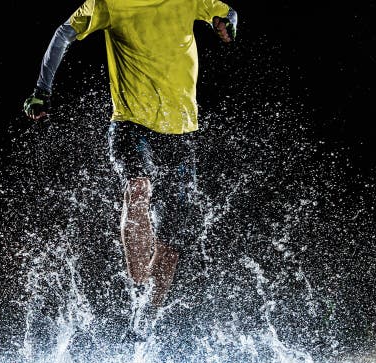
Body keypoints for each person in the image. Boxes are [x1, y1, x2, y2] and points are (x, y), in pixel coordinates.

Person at [25, 0, 238, 340]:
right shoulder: (108, 3)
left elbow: (226, 11)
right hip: (130, 124)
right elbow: (63, 34)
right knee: (138, 188)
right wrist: (42, 90)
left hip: (181, 131)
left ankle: (143, 322)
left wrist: (225, 23)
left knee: (172, 238)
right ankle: (136, 287)